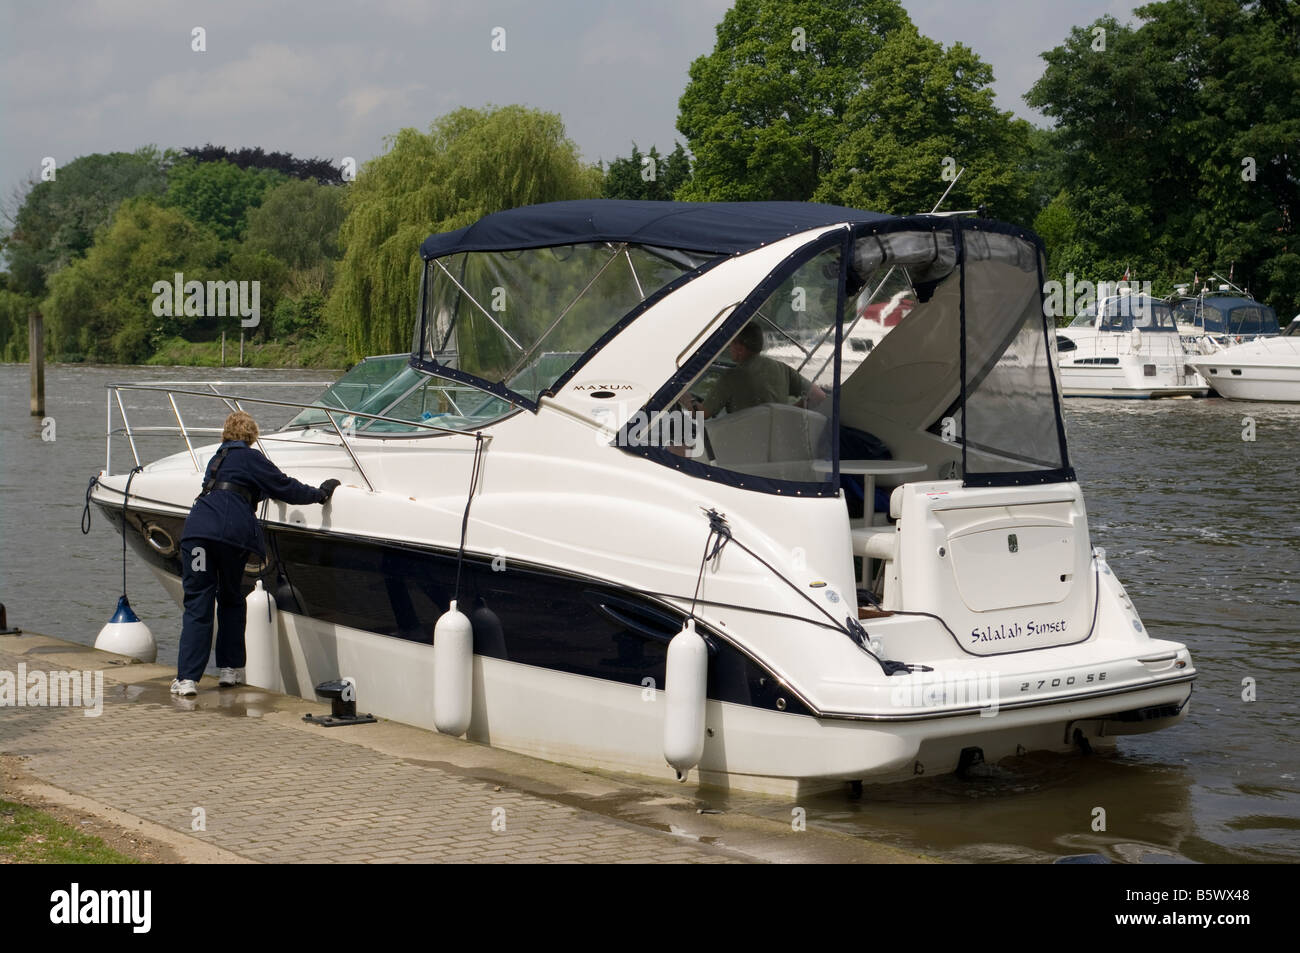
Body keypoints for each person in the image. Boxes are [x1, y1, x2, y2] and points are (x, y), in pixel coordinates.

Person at [170, 411, 339, 696]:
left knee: (198, 604)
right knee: (231, 599)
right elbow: (285, 486)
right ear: (252, 436)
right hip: (232, 540)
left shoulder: (217, 459)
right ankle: (229, 670)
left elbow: (228, 490)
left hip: (198, 538)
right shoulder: (251, 457)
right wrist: (320, 494)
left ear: (225, 434)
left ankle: (187, 680)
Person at [692, 322, 826, 418]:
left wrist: (682, 397)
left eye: (731, 342)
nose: (729, 347)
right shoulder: (782, 368)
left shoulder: (732, 376)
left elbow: (702, 414)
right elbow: (818, 396)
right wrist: (786, 413)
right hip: (777, 444)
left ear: (740, 348)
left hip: (742, 446)